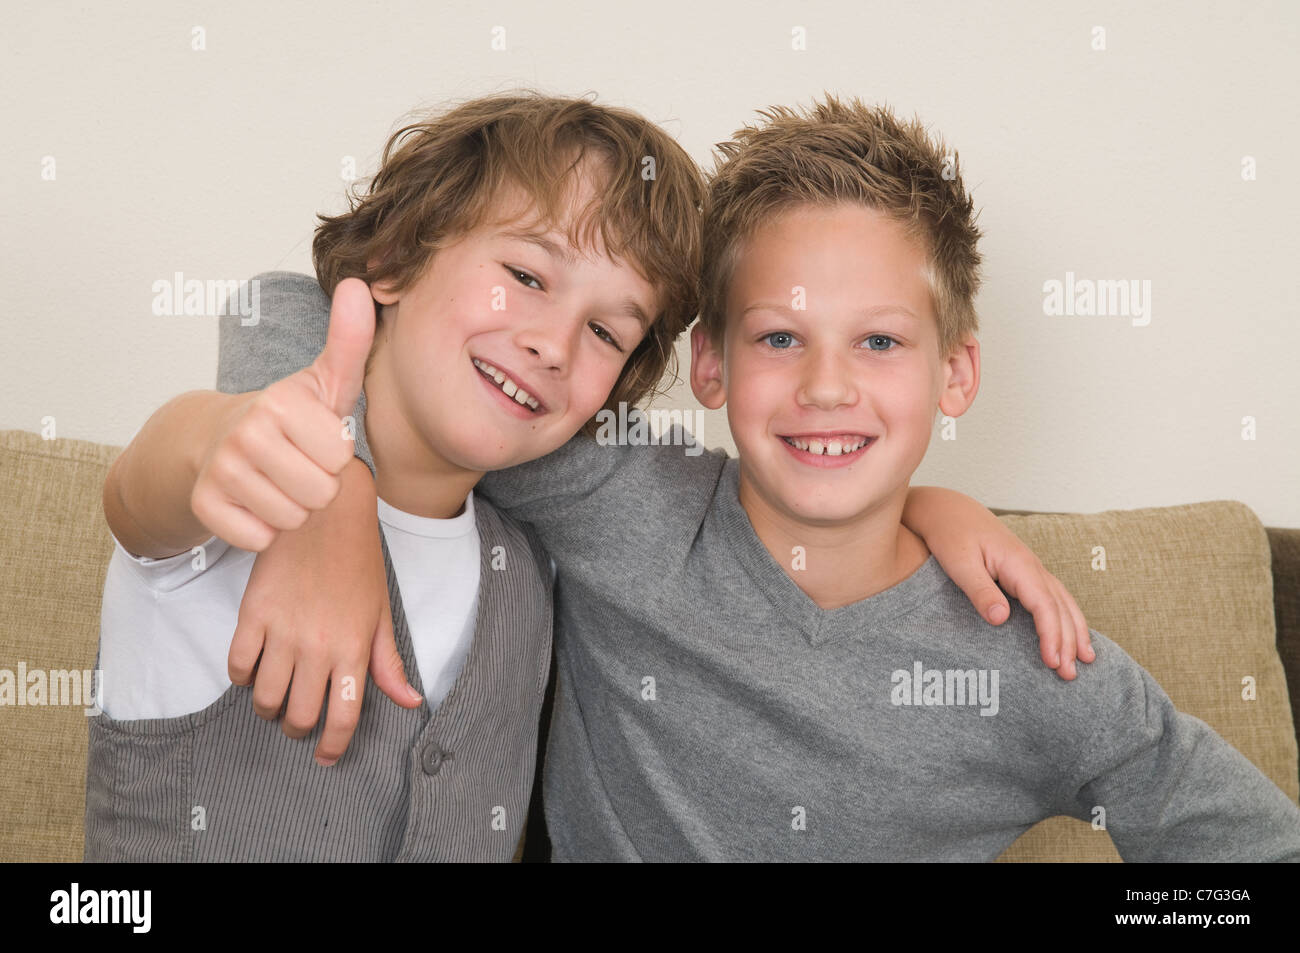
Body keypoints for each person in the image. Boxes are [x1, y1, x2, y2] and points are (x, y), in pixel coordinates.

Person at [227, 99, 1288, 864]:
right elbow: (304, 304)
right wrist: (330, 491)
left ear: (953, 373)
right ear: (711, 366)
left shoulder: (1038, 659)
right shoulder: (621, 497)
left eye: (878, 341)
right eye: (780, 337)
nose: (827, 387)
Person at [85, 91, 706, 861]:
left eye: (606, 331)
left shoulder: (536, 557)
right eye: (527, 273)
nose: (555, 345)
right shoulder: (247, 478)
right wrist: (305, 474)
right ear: (396, 258)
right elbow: (151, 484)